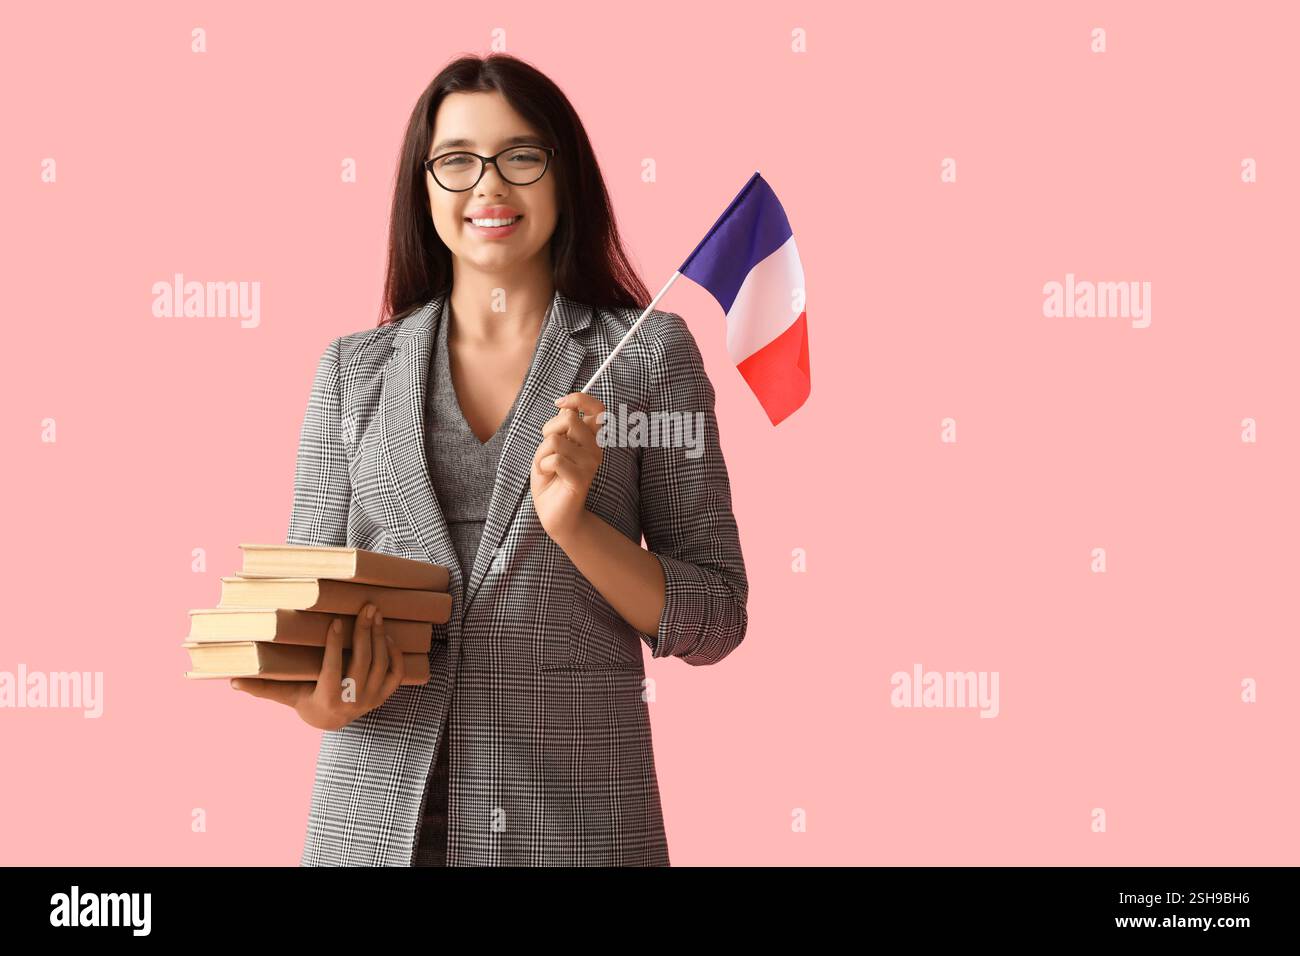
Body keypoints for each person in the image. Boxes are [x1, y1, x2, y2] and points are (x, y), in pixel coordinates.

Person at [232, 52, 748, 866]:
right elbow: (300, 616)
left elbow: (717, 618)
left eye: (521, 156)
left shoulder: (648, 358)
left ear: (563, 174)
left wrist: (575, 526)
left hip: (574, 829)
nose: (489, 185)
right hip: (370, 830)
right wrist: (325, 699)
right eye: (457, 161)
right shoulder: (349, 371)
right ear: (423, 186)